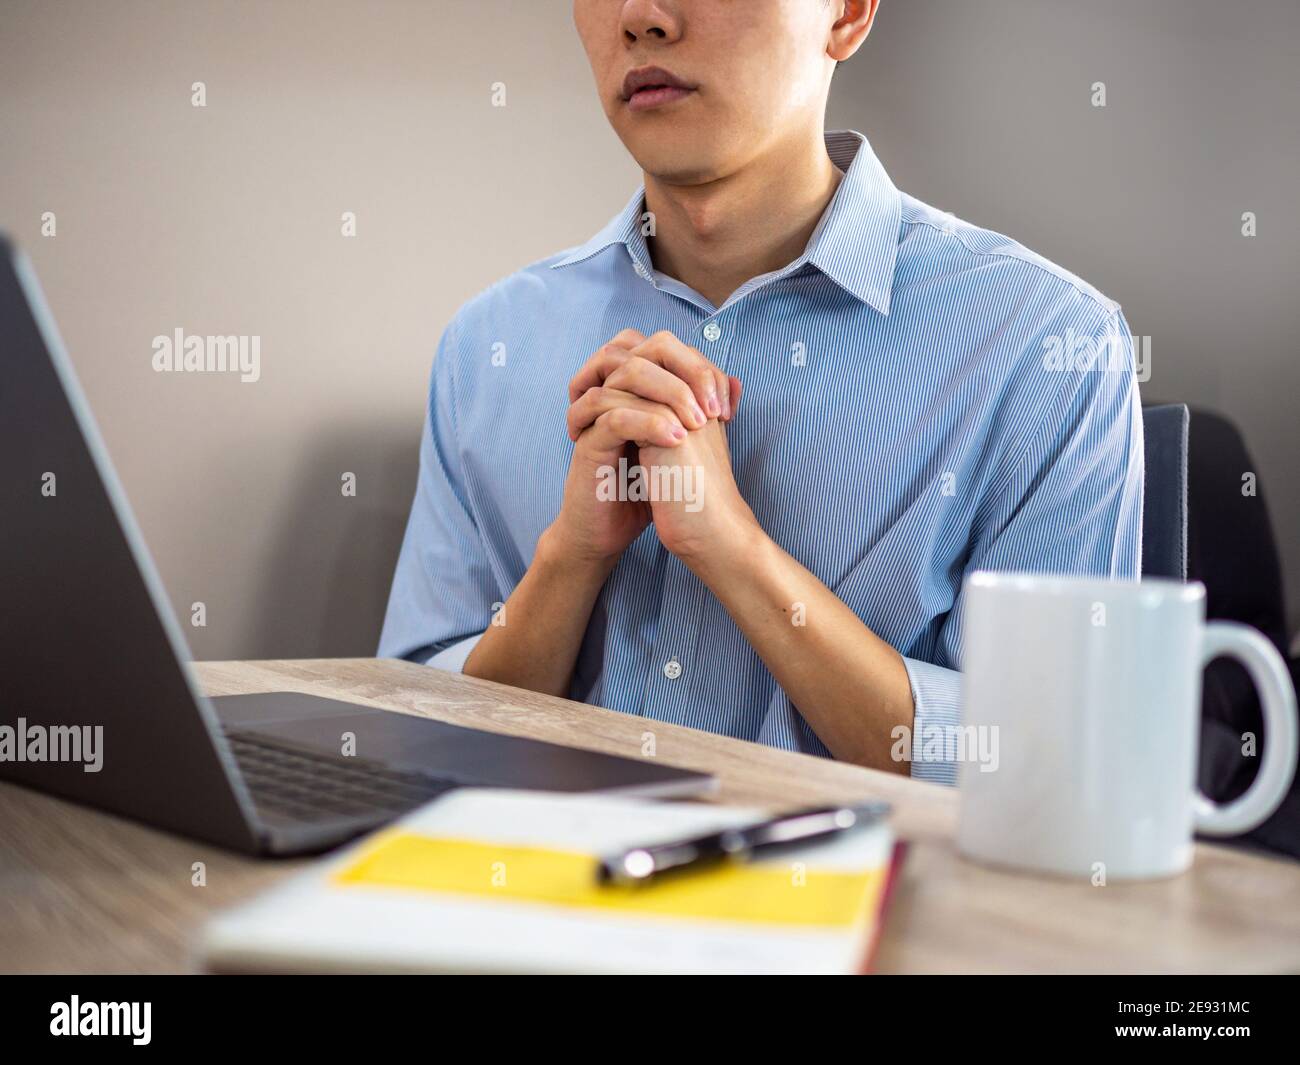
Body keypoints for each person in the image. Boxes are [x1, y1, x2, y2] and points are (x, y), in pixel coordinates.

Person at [379, 0, 1143, 784]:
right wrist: (567, 561)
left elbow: (1058, 772)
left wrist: (733, 550)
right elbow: (407, 732)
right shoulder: (486, 347)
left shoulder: (1048, 346)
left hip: (890, 905)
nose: (642, 17)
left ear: (845, 15)